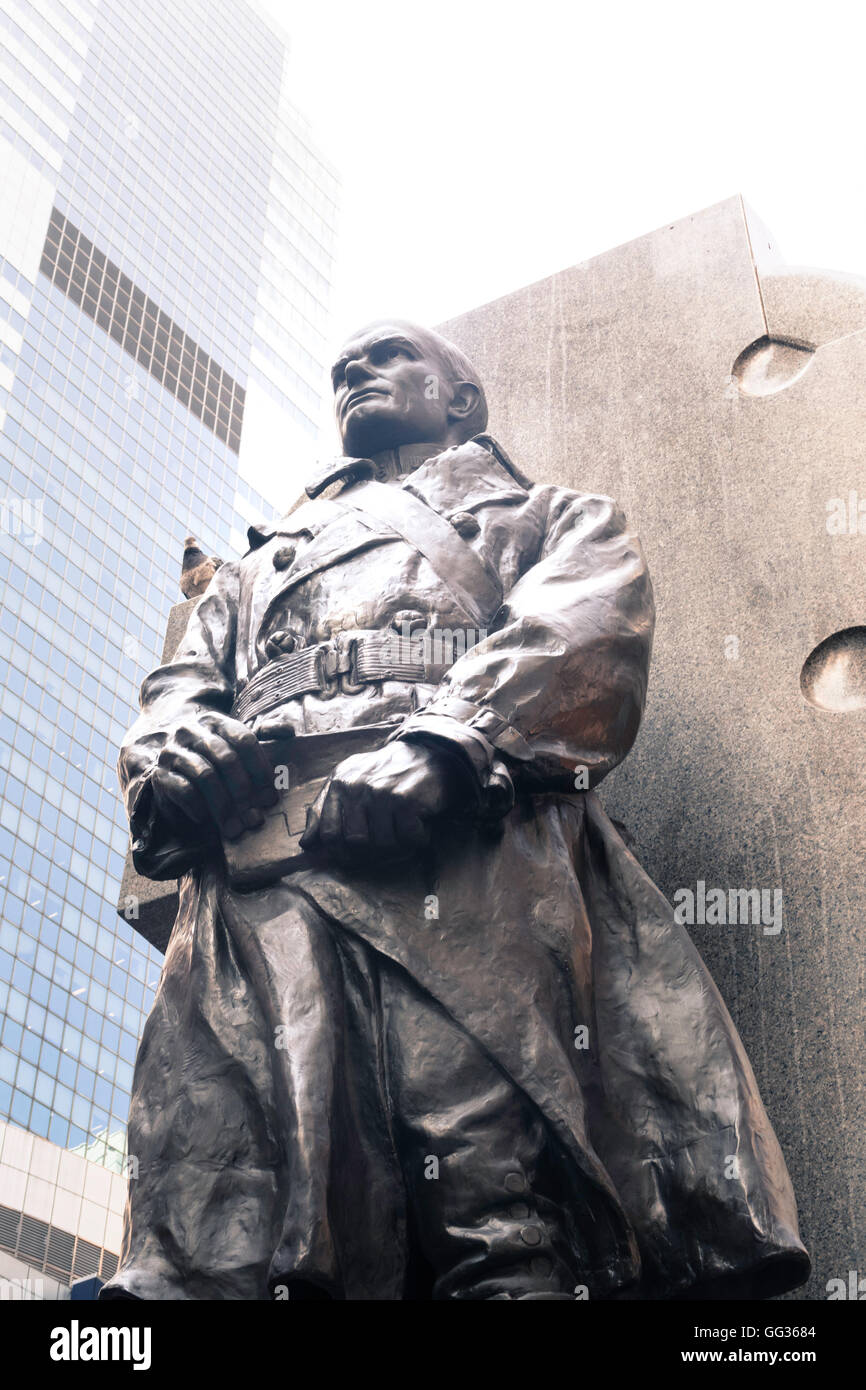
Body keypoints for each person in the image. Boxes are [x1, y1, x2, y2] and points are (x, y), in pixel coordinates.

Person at [102, 321, 809, 1300]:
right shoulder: (249, 571)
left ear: (461, 399)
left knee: (484, 1182)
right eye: (341, 366)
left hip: (462, 856)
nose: (354, 371)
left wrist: (447, 741)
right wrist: (174, 752)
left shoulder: (549, 516)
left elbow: (583, 627)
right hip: (257, 874)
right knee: (224, 1195)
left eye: (387, 357)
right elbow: (174, 695)